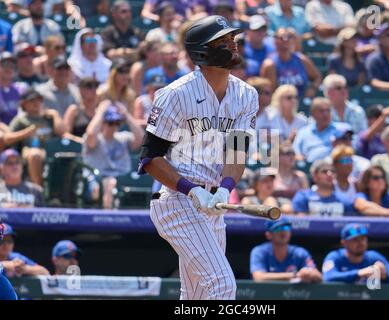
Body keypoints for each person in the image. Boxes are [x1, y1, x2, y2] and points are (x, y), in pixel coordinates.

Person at [138, 15, 258, 300]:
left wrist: (226, 187)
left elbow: (237, 150)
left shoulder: (247, 95)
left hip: (213, 205)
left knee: (195, 296)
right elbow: (150, 158)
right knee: (222, 286)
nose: (233, 46)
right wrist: (191, 191)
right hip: (178, 201)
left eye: (233, 39)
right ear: (202, 51)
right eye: (224, 42)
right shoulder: (174, 95)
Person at [83, 101, 144, 209]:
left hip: (123, 178)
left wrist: (126, 115)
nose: (114, 127)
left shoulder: (123, 137)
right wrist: (100, 112)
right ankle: (108, 219)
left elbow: (141, 139)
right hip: (98, 178)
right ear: (102, 123)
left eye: (117, 123)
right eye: (110, 123)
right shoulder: (96, 139)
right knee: (108, 184)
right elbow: (91, 134)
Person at [9, 88, 64, 186]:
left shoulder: (48, 118)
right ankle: (39, 190)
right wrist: (26, 133)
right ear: (24, 104)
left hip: (50, 150)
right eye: (32, 100)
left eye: (39, 100)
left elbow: (62, 133)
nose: (37, 103)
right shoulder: (21, 120)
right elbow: (7, 138)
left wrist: (55, 115)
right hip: (29, 149)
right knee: (35, 155)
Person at [322, 223, 389, 283]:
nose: (360, 242)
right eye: (355, 239)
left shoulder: (374, 257)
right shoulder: (335, 256)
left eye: (363, 238)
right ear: (344, 243)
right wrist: (359, 273)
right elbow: (328, 277)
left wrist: (385, 276)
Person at [250, 218, 322, 283]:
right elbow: (259, 278)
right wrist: (295, 275)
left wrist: (308, 273)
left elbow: (319, 277)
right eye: (277, 228)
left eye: (286, 227)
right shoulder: (259, 251)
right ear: (268, 235)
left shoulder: (300, 253)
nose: (283, 231)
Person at [260, 27, 321, 99]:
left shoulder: (301, 59)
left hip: (301, 101)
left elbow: (317, 77)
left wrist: (312, 88)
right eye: (282, 37)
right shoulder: (270, 64)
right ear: (275, 41)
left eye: (289, 37)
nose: (286, 40)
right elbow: (269, 92)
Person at [293, 97, 349, 163]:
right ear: (313, 114)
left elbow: (351, 149)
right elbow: (295, 151)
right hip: (309, 167)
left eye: (328, 110)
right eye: (321, 111)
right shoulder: (303, 132)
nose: (325, 114)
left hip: (336, 165)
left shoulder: (344, 128)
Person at [322, 74, 367, 147]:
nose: (344, 90)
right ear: (329, 92)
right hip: (329, 151)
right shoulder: (321, 112)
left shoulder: (358, 111)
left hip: (355, 151)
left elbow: (363, 136)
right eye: (339, 88)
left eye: (345, 87)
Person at [63, 77, 100, 143]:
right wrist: (83, 142)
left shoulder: (100, 111)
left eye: (96, 87)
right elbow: (65, 134)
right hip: (77, 149)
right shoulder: (74, 110)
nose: (93, 90)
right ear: (81, 90)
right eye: (89, 87)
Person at [0, 52, 23, 125]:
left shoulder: (21, 88)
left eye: (12, 65)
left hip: (20, 129)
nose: (9, 68)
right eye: (5, 64)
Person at [0, 222, 18, 300]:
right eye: (3, 241)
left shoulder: (16, 258)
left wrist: (24, 268)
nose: (6, 245)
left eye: (9, 241)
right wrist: (4, 264)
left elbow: (44, 272)